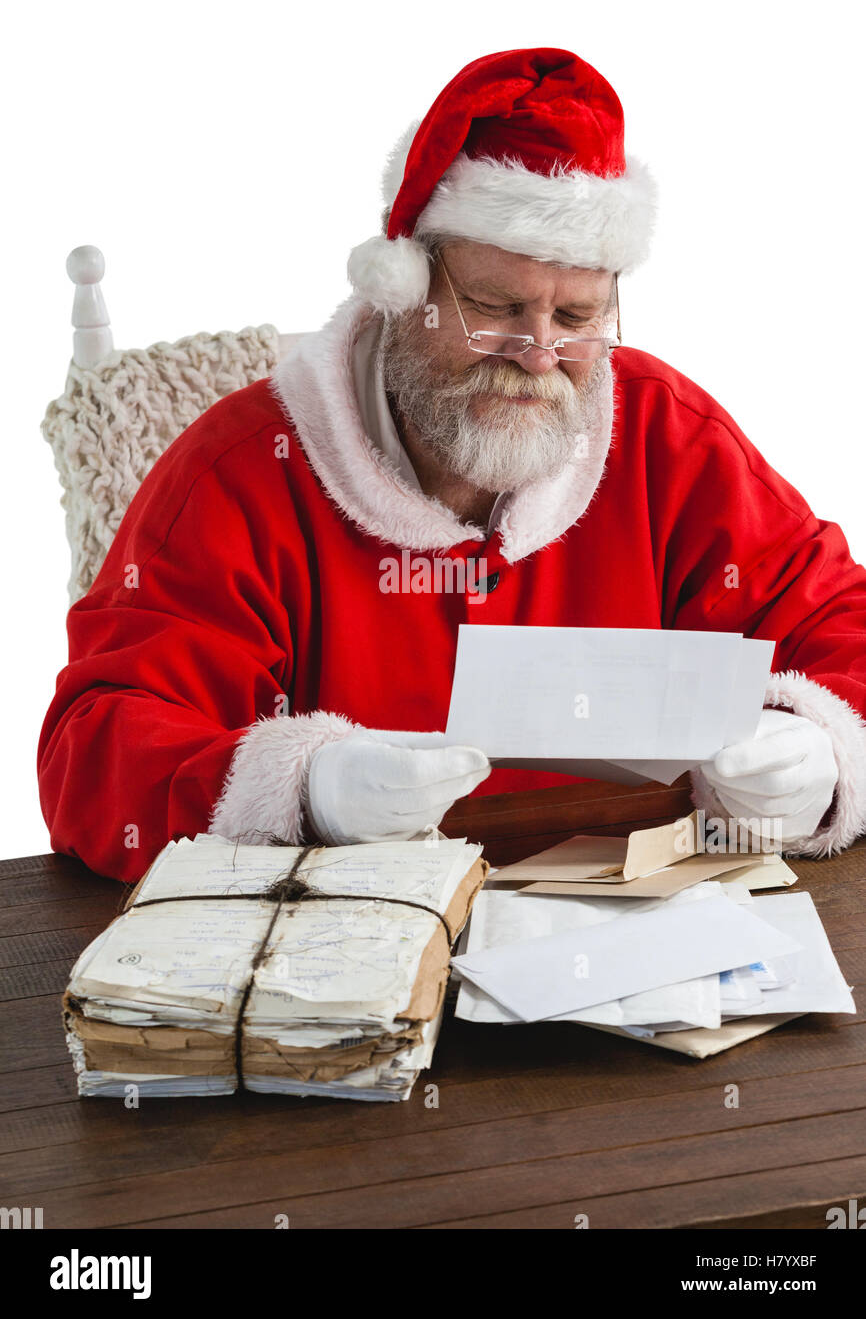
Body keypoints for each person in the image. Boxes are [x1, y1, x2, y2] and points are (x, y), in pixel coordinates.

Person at [37, 48, 866, 882]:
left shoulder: (665, 435)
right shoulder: (240, 471)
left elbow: (840, 620)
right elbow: (96, 746)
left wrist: (820, 745)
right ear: (404, 289)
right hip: (355, 967)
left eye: (577, 315)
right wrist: (303, 788)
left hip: (641, 952)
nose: (539, 354)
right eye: (496, 308)